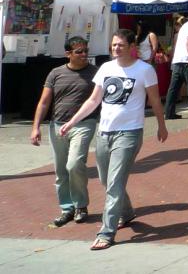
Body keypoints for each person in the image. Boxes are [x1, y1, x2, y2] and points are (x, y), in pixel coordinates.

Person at [59, 29, 168, 250]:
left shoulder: (145, 70)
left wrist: (161, 125)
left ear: (131, 47)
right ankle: (126, 213)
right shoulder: (106, 68)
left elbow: (155, 100)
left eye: (119, 45)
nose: (115, 49)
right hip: (104, 132)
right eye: (113, 45)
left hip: (129, 133)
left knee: (115, 182)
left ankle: (106, 232)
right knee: (105, 180)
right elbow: (93, 100)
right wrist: (72, 122)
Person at [29, 36, 99, 226]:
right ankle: (67, 208)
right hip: (57, 126)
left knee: (74, 164)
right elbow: (44, 102)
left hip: (84, 124)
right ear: (68, 54)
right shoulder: (55, 73)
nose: (84, 54)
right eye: (79, 51)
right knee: (61, 170)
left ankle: (81, 205)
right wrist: (36, 127)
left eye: (86, 50)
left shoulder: (95, 73)